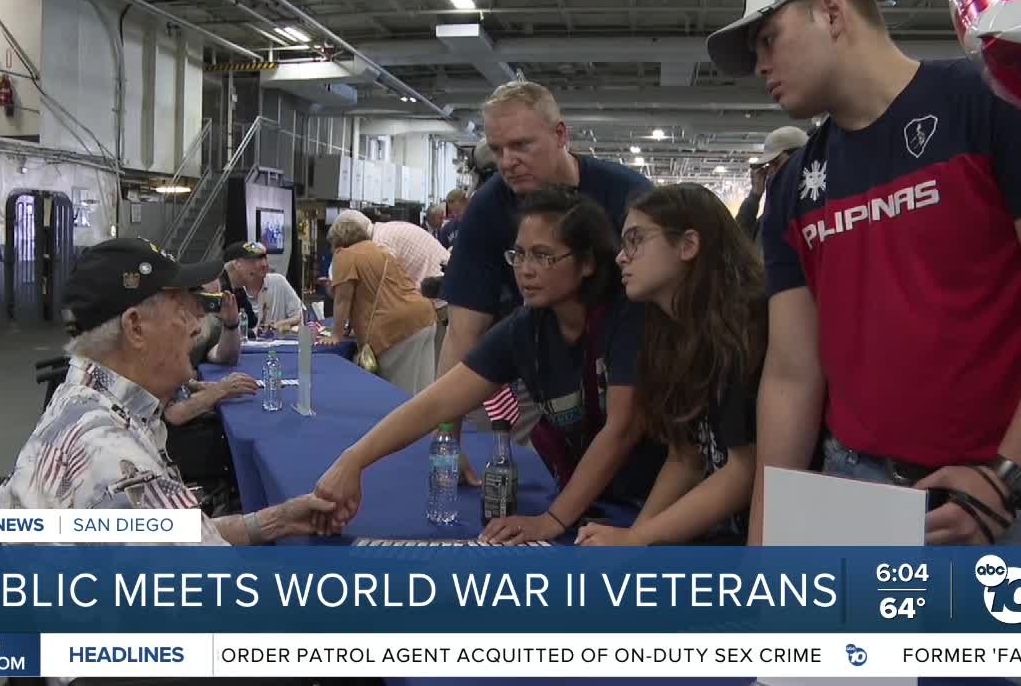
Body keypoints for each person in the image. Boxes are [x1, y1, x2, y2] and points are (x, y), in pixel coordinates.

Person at [707, 0, 1021, 546]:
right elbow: (791, 374)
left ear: (832, 13)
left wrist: (1010, 476)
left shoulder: (993, 104)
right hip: (860, 492)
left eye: (769, 40)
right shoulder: (795, 189)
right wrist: (766, 542)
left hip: (1016, 498)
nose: (761, 65)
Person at [315, 187, 664, 542]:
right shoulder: (526, 327)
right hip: (591, 505)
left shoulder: (626, 318)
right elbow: (439, 401)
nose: (525, 271)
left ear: (587, 262)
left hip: (648, 511)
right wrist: (354, 459)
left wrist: (553, 520)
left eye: (543, 256)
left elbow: (622, 429)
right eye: (520, 255)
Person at [0, 237, 335, 545]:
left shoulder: (84, 396)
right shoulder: (119, 464)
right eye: (182, 309)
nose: (197, 326)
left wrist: (277, 521)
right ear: (135, 327)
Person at [438, 79, 653, 482]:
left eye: (521, 145)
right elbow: (462, 332)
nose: (507, 162)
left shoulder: (629, 197)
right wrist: (449, 438)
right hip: (546, 374)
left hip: (638, 370)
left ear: (560, 135)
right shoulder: (489, 208)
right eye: (498, 150)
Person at [576, 184, 766, 546]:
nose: (620, 257)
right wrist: (634, 540)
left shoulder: (749, 326)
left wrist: (634, 541)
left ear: (688, 245)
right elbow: (686, 458)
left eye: (635, 240)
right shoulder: (672, 333)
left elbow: (744, 471)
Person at [324, 215, 438, 395]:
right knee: (423, 392)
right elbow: (371, 292)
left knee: (399, 395)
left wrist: (336, 334)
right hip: (425, 318)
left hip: (397, 330)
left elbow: (343, 299)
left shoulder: (344, 255)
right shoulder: (381, 251)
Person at [163, 277, 258, 428]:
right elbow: (170, 415)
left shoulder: (207, 322)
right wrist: (219, 390)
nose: (211, 309)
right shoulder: (159, 332)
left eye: (217, 298)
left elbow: (224, 357)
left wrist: (231, 324)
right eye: (207, 300)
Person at [735, 125, 808, 249]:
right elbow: (739, 245)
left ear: (799, 157)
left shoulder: (815, 208)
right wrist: (754, 196)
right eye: (769, 165)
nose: (770, 172)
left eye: (776, 163)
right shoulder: (770, 216)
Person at [222, 241, 302, 334]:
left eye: (265, 258)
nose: (263, 265)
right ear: (237, 264)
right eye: (253, 261)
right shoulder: (218, 289)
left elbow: (251, 323)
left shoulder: (239, 291)